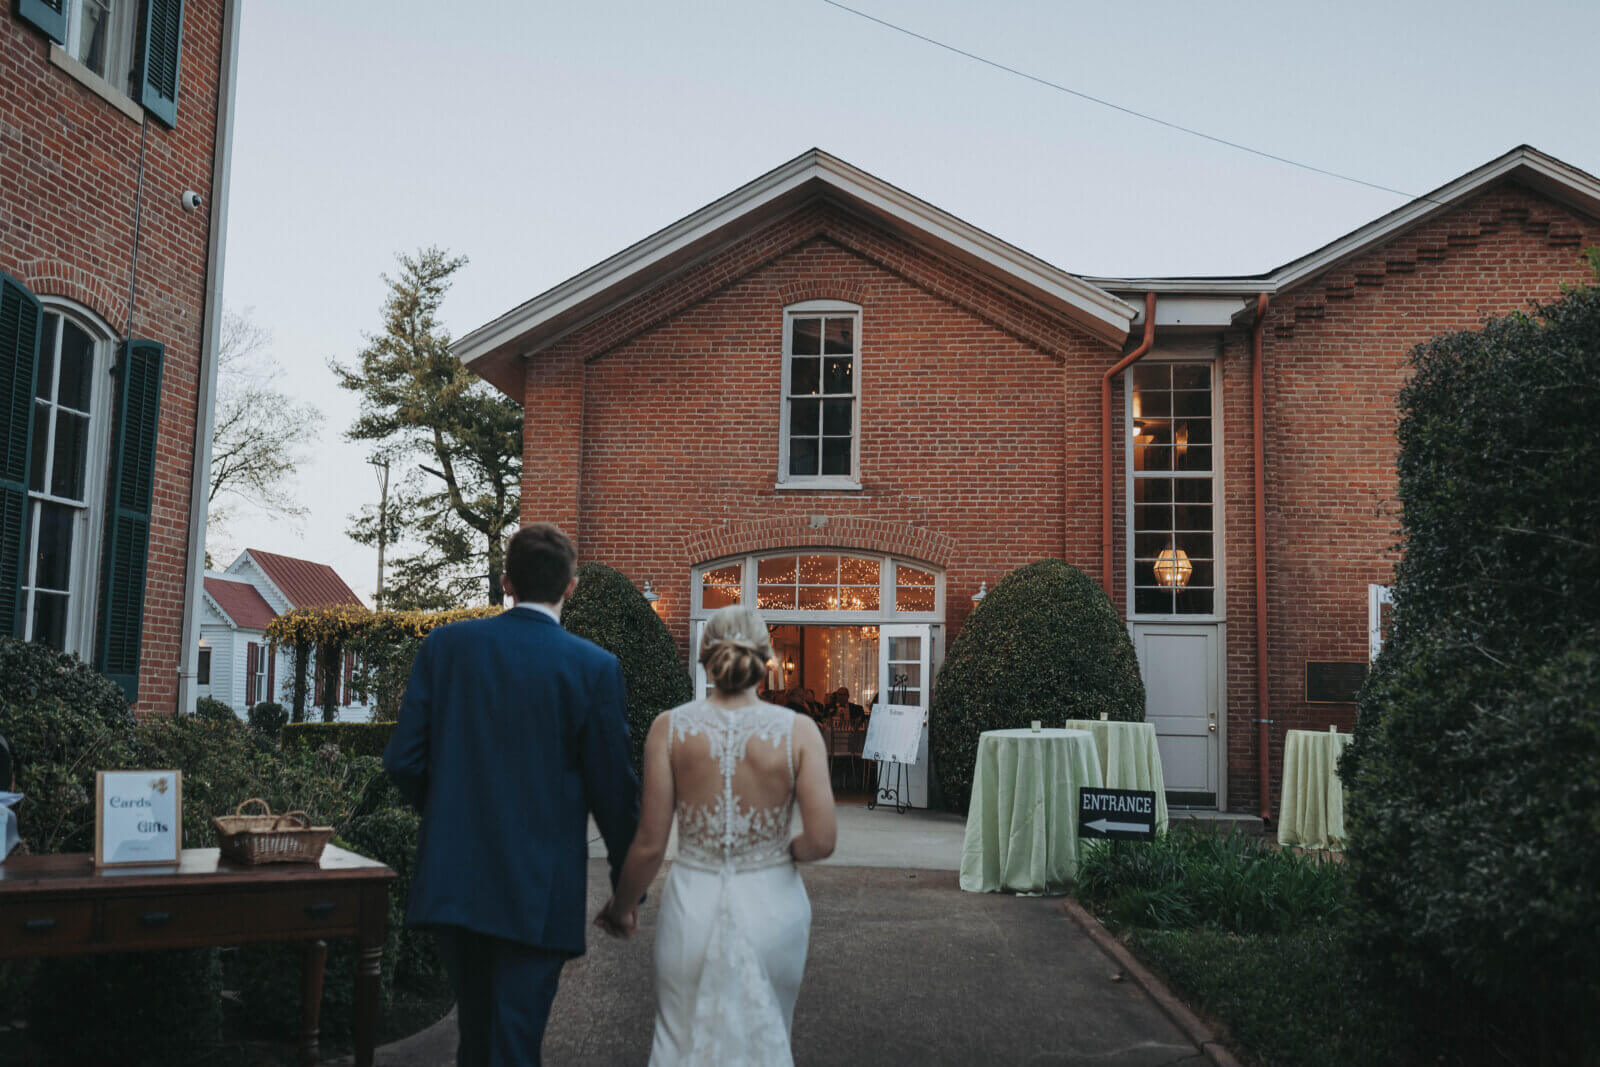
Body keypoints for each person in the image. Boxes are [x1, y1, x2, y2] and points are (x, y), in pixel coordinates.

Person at [385, 523, 640, 1066]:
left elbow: (403, 760)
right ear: (570, 586)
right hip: (538, 887)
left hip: (454, 877)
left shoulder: (446, 646)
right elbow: (614, 791)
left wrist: (452, 816)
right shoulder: (594, 668)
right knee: (513, 1044)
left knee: (478, 1040)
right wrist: (627, 889)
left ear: (507, 582)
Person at [598, 604, 836, 1065]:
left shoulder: (670, 729)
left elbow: (649, 844)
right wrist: (776, 851)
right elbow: (822, 840)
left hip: (693, 905)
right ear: (765, 659)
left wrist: (621, 906)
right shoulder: (799, 731)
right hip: (774, 907)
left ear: (705, 657)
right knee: (767, 1035)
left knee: (678, 1038)